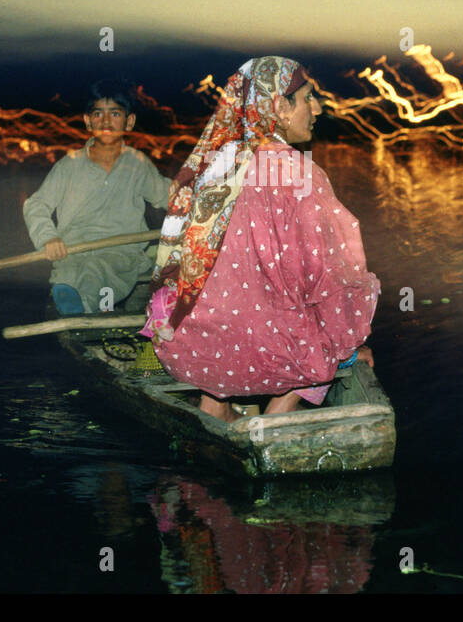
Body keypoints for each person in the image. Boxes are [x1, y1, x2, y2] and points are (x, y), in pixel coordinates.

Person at [141, 56, 379, 421]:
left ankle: (215, 406)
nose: (317, 108)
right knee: (340, 325)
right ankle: (278, 413)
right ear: (280, 107)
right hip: (265, 345)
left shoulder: (215, 162)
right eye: (308, 98)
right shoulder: (299, 173)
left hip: (193, 339)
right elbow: (328, 272)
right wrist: (350, 339)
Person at [23, 79, 174, 315]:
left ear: (129, 121)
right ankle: (73, 303)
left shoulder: (138, 164)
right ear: (87, 121)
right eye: (97, 114)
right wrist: (48, 238)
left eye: (115, 113)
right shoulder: (69, 166)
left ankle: (80, 310)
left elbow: (171, 196)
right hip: (73, 250)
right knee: (68, 275)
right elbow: (36, 204)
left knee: (97, 271)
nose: (105, 121)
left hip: (120, 252)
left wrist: (209, 204)